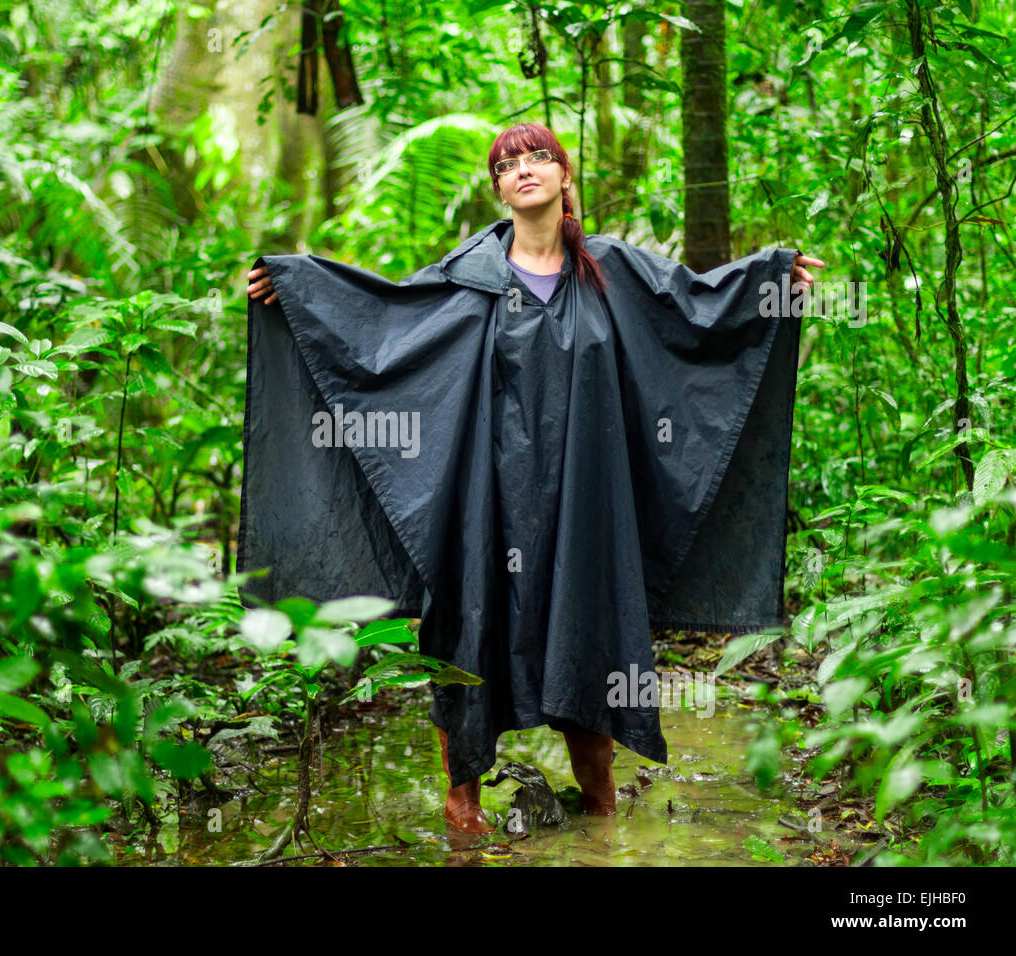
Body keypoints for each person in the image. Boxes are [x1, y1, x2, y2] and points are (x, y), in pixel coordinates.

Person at [245, 122, 825, 835]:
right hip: (483, 507)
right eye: (508, 163)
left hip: (587, 504)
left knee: (591, 635)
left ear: (564, 177)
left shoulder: (614, 272)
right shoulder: (464, 280)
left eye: (538, 157)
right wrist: (296, 289)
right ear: (497, 188)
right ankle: (464, 819)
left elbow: (696, 313)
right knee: (470, 633)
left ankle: (603, 822)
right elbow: (380, 327)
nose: (524, 170)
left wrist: (769, 282)